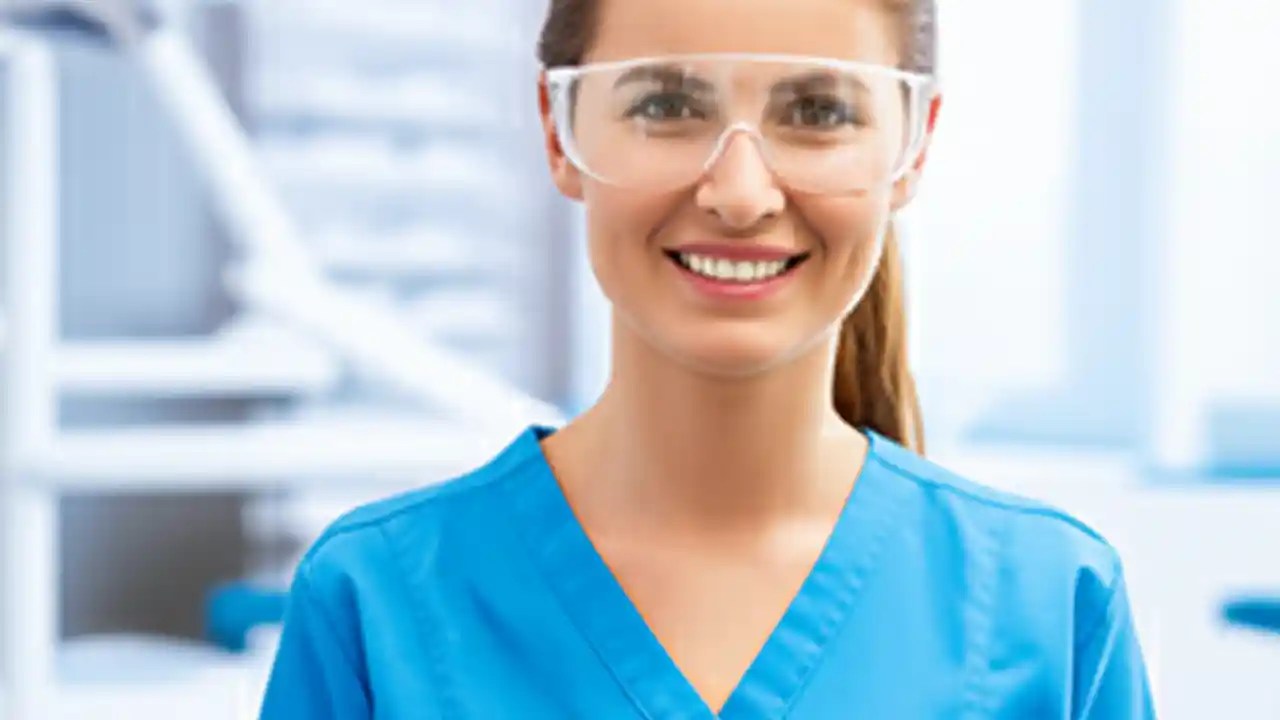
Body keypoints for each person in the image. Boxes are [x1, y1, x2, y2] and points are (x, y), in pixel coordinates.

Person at [259, 0, 1157, 717]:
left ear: (913, 146)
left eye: (818, 112)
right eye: (666, 106)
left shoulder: (1050, 608)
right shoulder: (376, 605)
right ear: (558, 130)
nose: (740, 193)